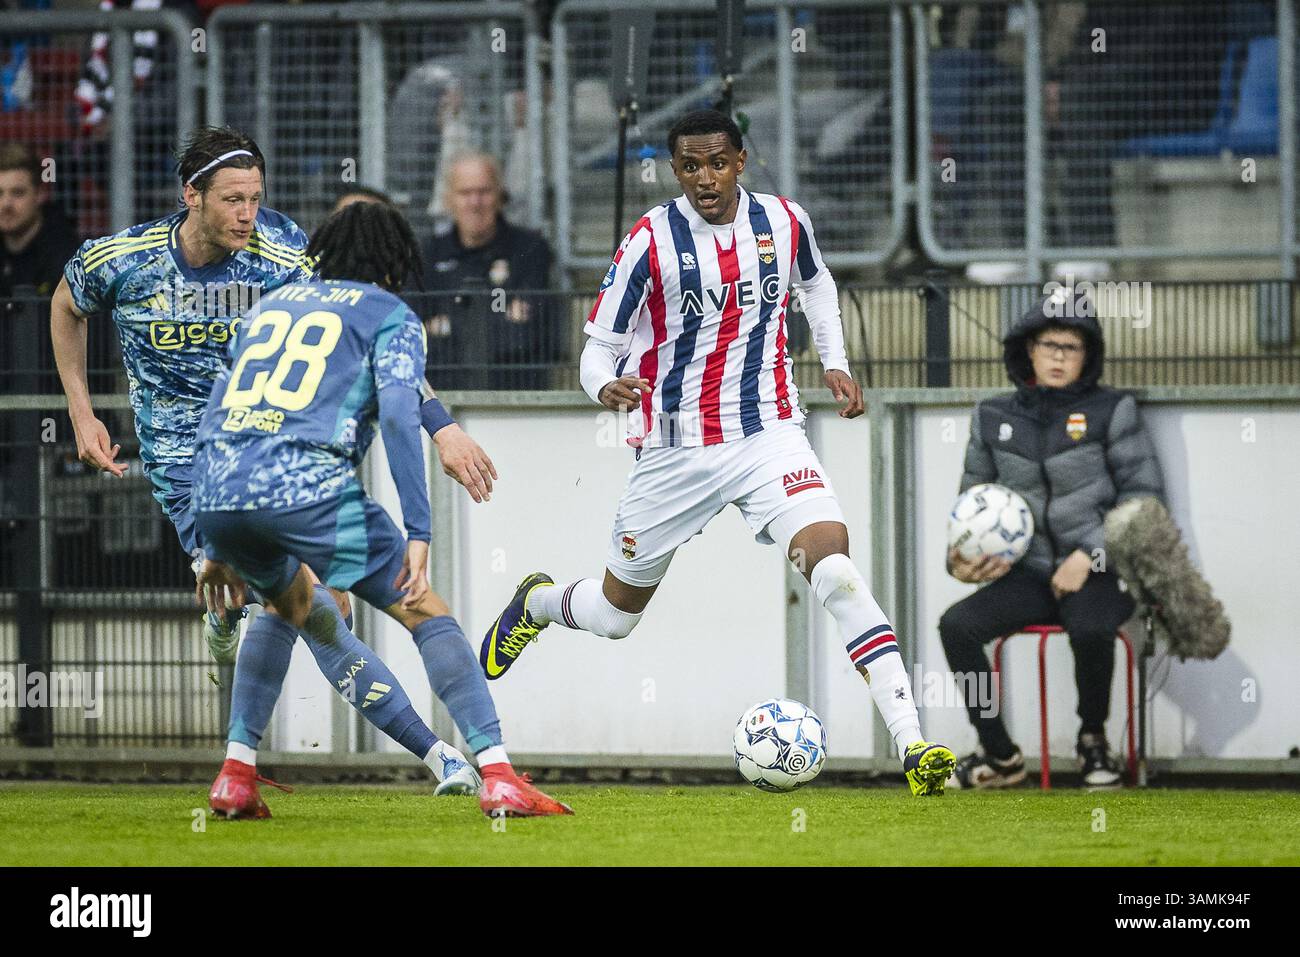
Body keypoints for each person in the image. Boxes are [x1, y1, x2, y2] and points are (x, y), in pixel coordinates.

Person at [477, 109, 957, 797]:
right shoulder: (650, 239)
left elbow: (815, 283)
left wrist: (835, 361)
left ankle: (914, 745)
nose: (706, 178)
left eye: (718, 162)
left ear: (741, 160)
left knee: (838, 572)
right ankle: (539, 604)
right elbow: (599, 345)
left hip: (769, 435)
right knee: (616, 616)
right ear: (676, 170)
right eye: (690, 166)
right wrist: (602, 385)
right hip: (676, 450)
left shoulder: (785, 221)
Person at [49, 126, 490, 806]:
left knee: (319, 604)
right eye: (232, 200)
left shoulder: (285, 252)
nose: (247, 215)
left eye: (255, 198)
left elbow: (366, 332)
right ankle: (442, 755)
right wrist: (81, 411)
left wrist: (442, 424)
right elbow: (66, 303)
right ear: (190, 196)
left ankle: (418, 757)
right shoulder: (124, 259)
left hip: (273, 450)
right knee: (314, 607)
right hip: (188, 468)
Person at [193, 201, 571, 819]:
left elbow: (222, 407)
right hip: (305, 485)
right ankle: (499, 775)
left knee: (287, 607)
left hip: (218, 485)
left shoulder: (269, 308)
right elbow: (399, 415)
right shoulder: (389, 314)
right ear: (396, 261)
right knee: (424, 609)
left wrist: (215, 544)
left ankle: (236, 775)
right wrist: (418, 530)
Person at [939, 288, 1164, 789]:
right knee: (957, 626)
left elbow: (1145, 502)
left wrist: (1091, 556)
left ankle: (1092, 741)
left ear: (1089, 355)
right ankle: (999, 756)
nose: (1060, 357)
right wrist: (960, 559)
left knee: (1089, 628)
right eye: (1049, 345)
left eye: (1072, 347)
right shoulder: (993, 416)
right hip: (1030, 574)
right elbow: (972, 502)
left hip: (1100, 573)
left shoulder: (1114, 410)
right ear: (1028, 350)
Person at [416, 152, 557, 389]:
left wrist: (449, 325)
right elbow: (418, 334)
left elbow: (533, 333)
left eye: (484, 192)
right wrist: (504, 320)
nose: (475, 203)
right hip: (443, 394)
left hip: (515, 391)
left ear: (500, 196)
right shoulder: (428, 254)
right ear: (449, 200)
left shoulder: (530, 248)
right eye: (465, 193)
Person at [0, 143, 79, 298]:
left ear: (40, 194)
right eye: (0, 193)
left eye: (18, 193)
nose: (6, 204)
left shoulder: (66, 259)